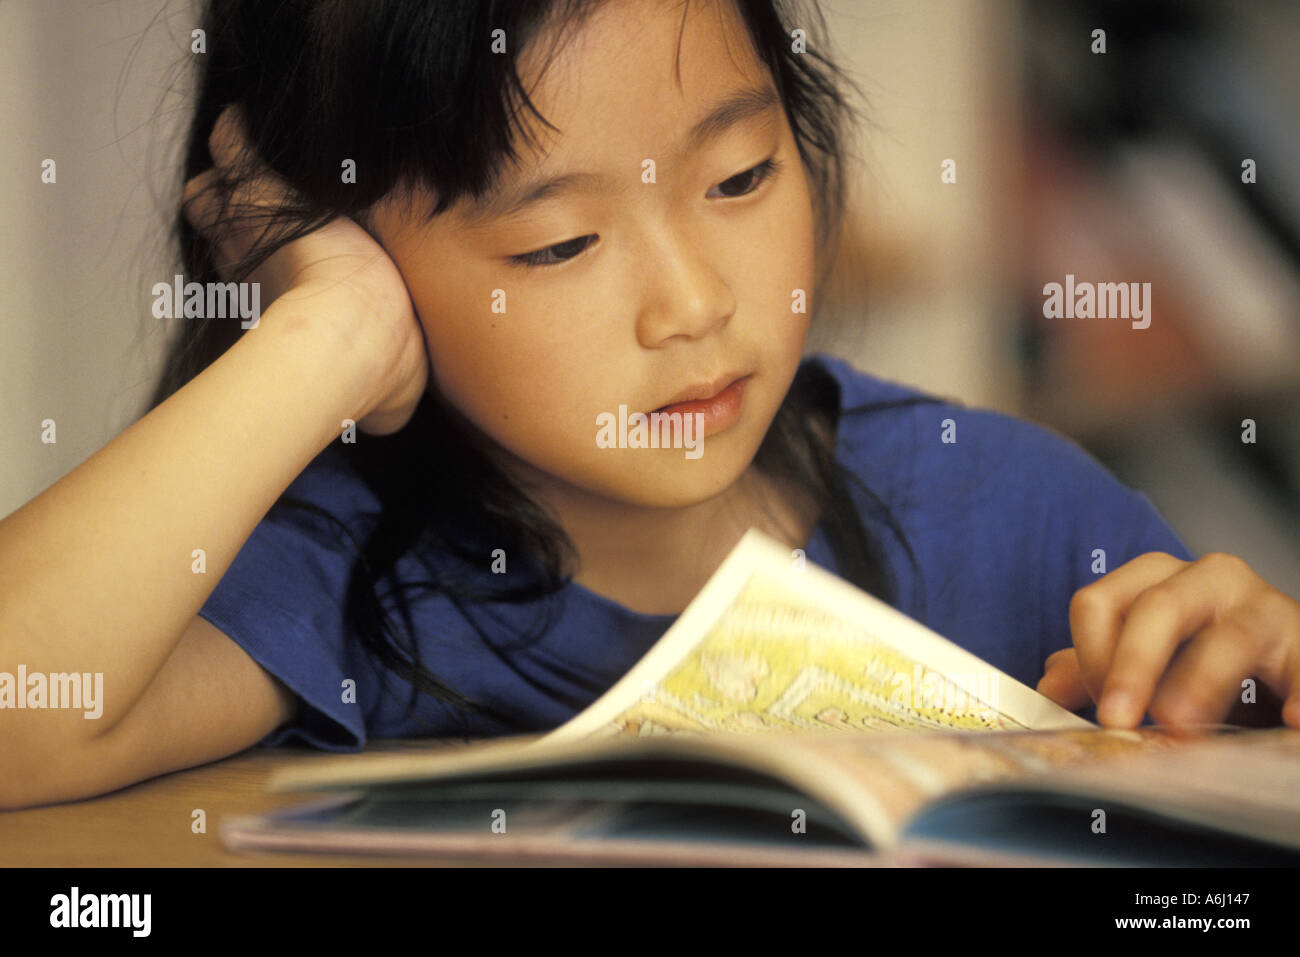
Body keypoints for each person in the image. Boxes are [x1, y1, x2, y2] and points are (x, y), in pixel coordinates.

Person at [2, 0, 1296, 812]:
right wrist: (321, 333)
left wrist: (1262, 670)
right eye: (558, 245)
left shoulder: (1010, 509)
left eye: (739, 177)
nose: (692, 305)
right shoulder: (350, 571)